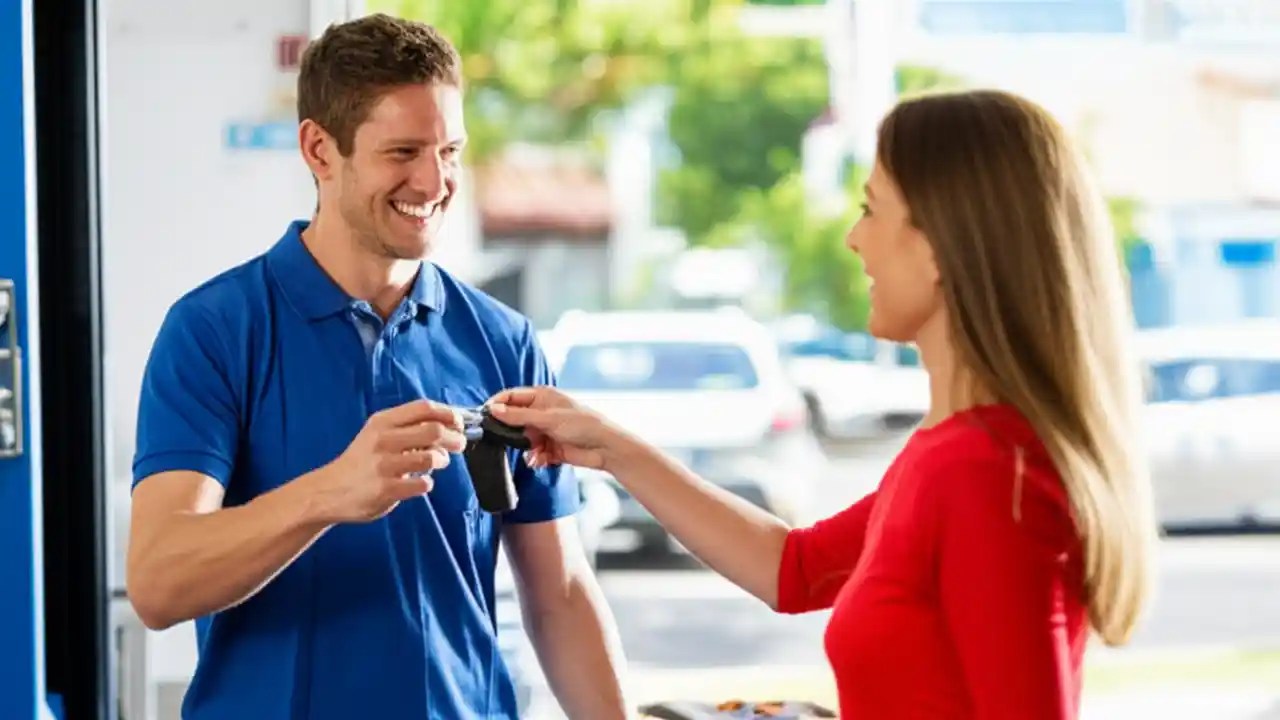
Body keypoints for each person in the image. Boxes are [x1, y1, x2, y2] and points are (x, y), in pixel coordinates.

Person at [490, 89, 1159, 719]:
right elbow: (795, 569)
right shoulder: (946, 455)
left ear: (936, 248)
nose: (854, 239)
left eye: (871, 210)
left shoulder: (987, 473)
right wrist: (609, 447)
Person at [125, 14, 629, 720]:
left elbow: (561, 593)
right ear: (320, 150)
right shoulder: (214, 331)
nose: (434, 179)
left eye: (449, 149)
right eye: (403, 151)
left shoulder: (501, 340)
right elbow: (157, 581)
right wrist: (331, 492)